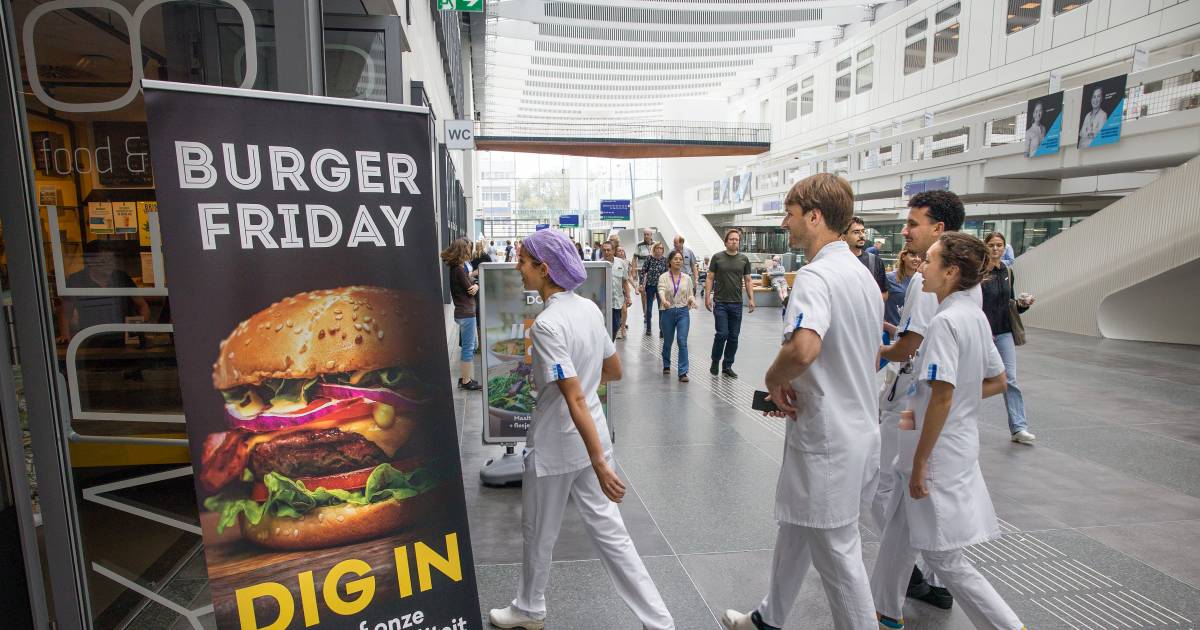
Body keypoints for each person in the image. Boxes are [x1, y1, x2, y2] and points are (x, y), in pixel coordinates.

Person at [487, 229, 675, 630]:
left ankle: (530, 607)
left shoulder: (547, 325)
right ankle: (659, 621)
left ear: (544, 268)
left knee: (538, 530)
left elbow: (570, 398)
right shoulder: (588, 309)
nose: (518, 268)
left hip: (558, 444)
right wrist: (599, 454)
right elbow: (614, 371)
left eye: (523, 261)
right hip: (594, 434)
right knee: (612, 535)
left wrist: (598, 460)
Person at [720, 174, 882, 630]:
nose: (784, 224)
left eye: (789, 215)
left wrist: (774, 379)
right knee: (796, 526)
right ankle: (769, 617)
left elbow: (804, 348)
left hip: (829, 437)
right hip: (859, 429)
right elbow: (869, 355)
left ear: (814, 217)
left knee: (836, 551)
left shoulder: (816, 276)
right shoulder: (862, 276)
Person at [871, 233, 1025, 630]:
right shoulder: (972, 316)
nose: (922, 267)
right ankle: (885, 611)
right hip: (928, 434)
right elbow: (995, 379)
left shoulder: (946, 322)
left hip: (935, 449)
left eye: (930, 261)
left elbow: (941, 396)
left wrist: (920, 460)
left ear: (952, 272)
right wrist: (920, 418)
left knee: (943, 555)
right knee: (899, 530)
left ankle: (1008, 625)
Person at [877, 189, 979, 610]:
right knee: (906, 492)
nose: (905, 231)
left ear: (938, 228)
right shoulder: (968, 291)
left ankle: (914, 576)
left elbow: (911, 344)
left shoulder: (927, 278)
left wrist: (877, 349)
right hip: (937, 405)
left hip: (911, 402)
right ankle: (909, 589)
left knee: (886, 486)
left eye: (913, 223)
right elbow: (994, 374)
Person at [982, 232, 1037, 444]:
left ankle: (1018, 427)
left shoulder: (1007, 271)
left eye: (999, 245)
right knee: (970, 378)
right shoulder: (978, 271)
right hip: (983, 333)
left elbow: (1009, 302)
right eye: (992, 245)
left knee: (1010, 380)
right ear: (985, 247)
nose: (996, 249)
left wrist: (1021, 305)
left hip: (1004, 331)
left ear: (1005, 248)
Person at [57, 240, 151, 345]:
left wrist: (137, 326)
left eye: (111, 260)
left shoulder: (121, 277)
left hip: (123, 340)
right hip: (90, 339)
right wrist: (65, 335)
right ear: (89, 260)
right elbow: (65, 312)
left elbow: (142, 306)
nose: (109, 264)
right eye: (104, 260)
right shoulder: (76, 280)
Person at [705, 229, 755, 378]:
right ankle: (715, 360)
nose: (734, 241)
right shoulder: (717, 257)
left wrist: (751, 298)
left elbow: (748, 280)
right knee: (722, 333)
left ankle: (727, 366)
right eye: (731, 239)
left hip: (736, 303)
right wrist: (707, 296)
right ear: (726, 241)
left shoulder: (744, 259)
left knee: (734, 336)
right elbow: (709, 278)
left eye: (737, 239)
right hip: (720, 302)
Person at [440, 238, 481, 391]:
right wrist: (476, 284)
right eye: (469, 249)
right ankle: (465, 380)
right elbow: (470, 288)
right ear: (463, 250)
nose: (471, 251)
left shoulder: (458, 268)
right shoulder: (458, 269)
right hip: (466, 313)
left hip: (463, 313)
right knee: (469, 348)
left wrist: (473, 283)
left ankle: (465, 377)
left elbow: (469, 282)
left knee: (471, 345)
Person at [657, 250, 696, 382]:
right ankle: (667, 364)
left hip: (683, 311)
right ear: (670, 261)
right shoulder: (663, 277)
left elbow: (690, 294)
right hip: (667, 311)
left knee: (682, 341)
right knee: (668, 341)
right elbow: (661, 290)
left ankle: (683, 372)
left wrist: (692, 301)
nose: (678, 261)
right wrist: (664, 301)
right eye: (675, 259)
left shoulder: (687, 278)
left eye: (680, 259)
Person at [844, 216, 888, 301]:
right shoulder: (837, 261)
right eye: (856, 232)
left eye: (863, 231)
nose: (862, 235)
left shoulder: (875, 261)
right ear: (844, 236)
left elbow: (884, 293)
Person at [883, 248, 921, 344]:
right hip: (891, 334)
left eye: (919, 256)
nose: (916, 259)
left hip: (913, 334)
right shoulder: (889, 278)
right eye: (913, 255)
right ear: (903, 256)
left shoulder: (922, 279)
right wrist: (886, 325)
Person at [602, 242, 632, 340]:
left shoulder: (621, 263)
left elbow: (625, 282)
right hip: (603, 303)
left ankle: (610, 344)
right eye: (604, 250)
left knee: (615, 326)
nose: (606, 252)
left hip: (617, 301)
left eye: (608, 250)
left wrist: (628, 297)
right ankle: (607, 349)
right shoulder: (599, 265)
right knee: (603, 327)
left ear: (613, 251)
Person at [639, 242, 669, 337]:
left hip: (661, 287)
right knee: (649, 309)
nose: (659, 250)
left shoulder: (665, 260)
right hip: (650, 286)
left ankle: (662, 330)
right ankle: (648, 328)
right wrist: (641, 284)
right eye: (657, 248)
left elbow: (667, 274)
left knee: (661, 308)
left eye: (661, 248)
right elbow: (643, 271)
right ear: (654, 249)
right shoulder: (649, 258)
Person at [616, 246, 631, 338]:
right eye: (619, 251)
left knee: (624, 310)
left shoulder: (626, 263)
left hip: (622, 290)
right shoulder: (611, 262)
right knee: (616, 311)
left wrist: (629, 295)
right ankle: (617, 329)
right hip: (613, 289)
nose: (621, 252)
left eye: (622, 250)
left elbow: (627, 279)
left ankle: (622, 328)